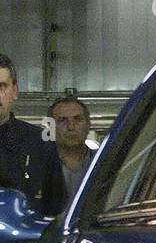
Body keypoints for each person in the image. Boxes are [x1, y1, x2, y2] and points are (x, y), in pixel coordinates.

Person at [0, 53, 65, 217]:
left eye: (1, 87)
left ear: (15, 91)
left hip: (26, 240)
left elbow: (56, 209)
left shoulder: (40, 142)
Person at [49, 95, 94, 202]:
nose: (71, 127)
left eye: (78, 119)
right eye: (62, 120)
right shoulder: (34, 167)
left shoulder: (106, 163)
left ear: (88, 125)